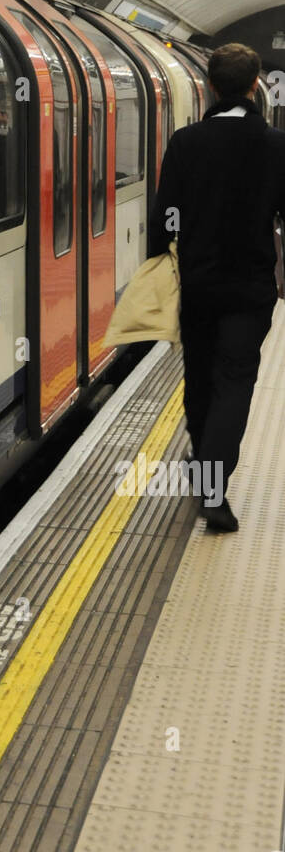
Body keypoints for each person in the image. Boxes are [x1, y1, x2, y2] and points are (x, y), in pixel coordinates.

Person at [148, 43, 285, 531]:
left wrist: (158, 265)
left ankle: (201, 460)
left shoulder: (187, 143)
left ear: (209, 85)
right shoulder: (276, 145)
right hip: (251, 288)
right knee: (235, 384)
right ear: (256, 86)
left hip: (201, 283)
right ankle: (213, 489)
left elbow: (164, 217)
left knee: (201, 376)